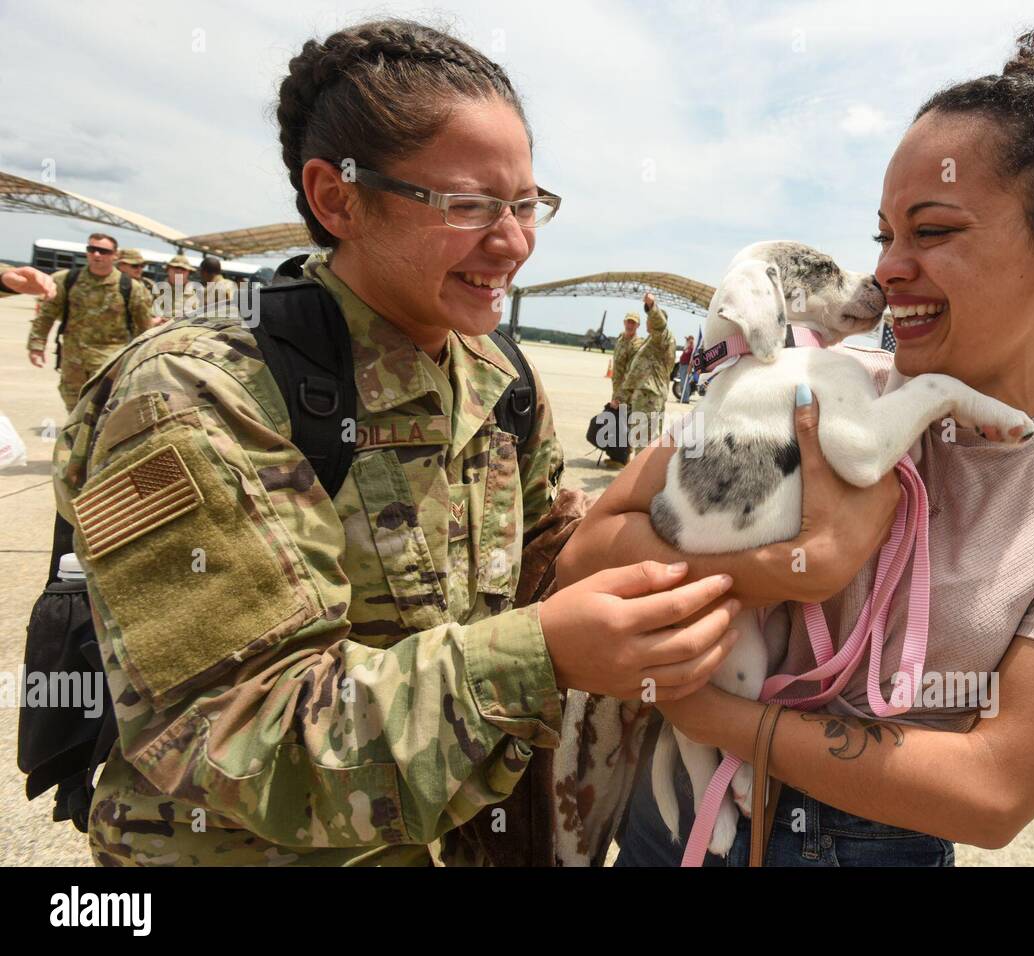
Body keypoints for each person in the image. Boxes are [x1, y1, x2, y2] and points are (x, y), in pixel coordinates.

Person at [51, 19, 741, 866]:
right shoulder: (196, 395)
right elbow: (237, 741)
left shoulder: (497, 377)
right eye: (470, 206)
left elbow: (545, 559)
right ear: (338, 198)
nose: (514, 242)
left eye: (527, 205)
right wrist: (547, 655)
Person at [558, 14, 1034, 866]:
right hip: (669, 826)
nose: (890, 267)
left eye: (931, 231)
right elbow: (588, 552)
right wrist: (800, 562)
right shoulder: (830, 387)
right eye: (884, 235)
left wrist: (718, 717)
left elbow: (992, 791)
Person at [28, 232, 154, 412]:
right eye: (92, 249)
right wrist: (36, 345)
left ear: (114, 255)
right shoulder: (66, 280)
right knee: (73, 405)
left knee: (104, 410)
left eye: (103, 251)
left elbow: (144, 327)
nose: (97, 255)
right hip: (73, 359)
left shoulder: (130, 287)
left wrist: (145, 359)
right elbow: (47, 314)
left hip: (110, 361)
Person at [622, 292, 676, 452]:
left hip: (649, 396)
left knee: (643, 439)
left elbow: (660, 324)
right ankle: (645, 473)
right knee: (647, 438)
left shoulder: (662, 337)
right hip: (647, 395)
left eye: (649, 319)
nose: (647, 321)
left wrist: (651, 306)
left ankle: (641, 475)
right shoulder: (652, 339)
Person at [154, 253, 200, 323]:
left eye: (183, 269)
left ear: (189, 272)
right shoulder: (157, 290)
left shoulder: (195, 293)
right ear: (168, 270)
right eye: (176, 268)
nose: (179, 271)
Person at [610, 311, 640, 408]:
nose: (630, 325)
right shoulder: (621, 338)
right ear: (624, 322)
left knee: (623, 419)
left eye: (633, 323)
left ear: (638, 325)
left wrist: (619, 397)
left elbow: (631, 374)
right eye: (628, 322)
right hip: (616, 387)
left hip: (626, 393)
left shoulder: (636, 345)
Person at [677, 334, 695, 404]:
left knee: (685, 383)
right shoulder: (687, 346)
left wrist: (690, 367)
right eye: (688, 339)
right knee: (682, 383)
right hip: (682, 365)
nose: (688, 340)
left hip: (686, 366)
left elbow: (692, 359)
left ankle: (686, 399)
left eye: (690, 339)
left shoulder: (692, 348)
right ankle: (683, 398)